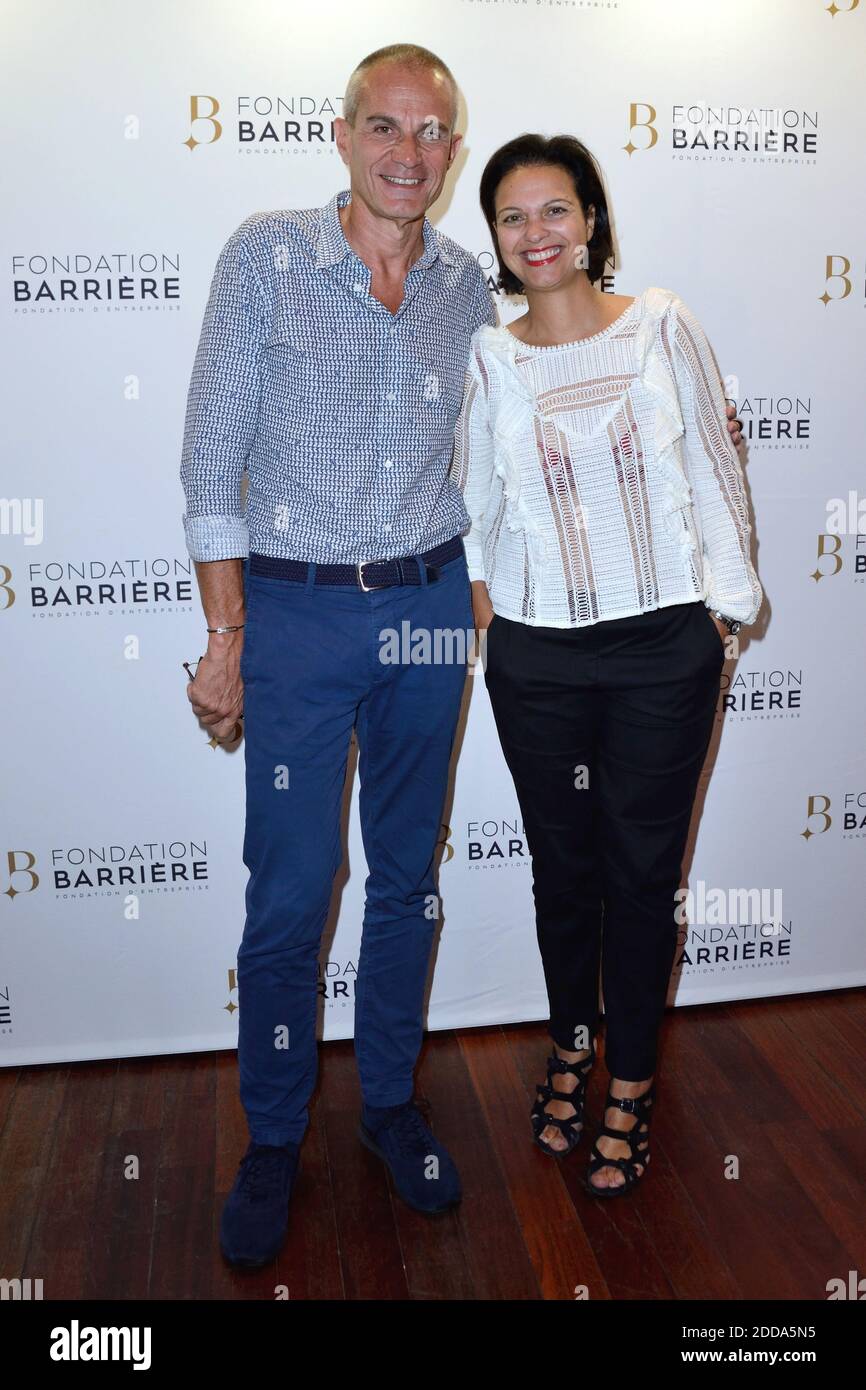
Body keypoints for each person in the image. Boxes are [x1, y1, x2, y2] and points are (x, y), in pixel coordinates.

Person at [452, 133, 762, 1197]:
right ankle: (571, 1045)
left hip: (660, 651)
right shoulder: (491, 357)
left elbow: (715, 473)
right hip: (536, 658)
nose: (534, 233)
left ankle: (628, 1078)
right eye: (510, 216)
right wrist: (497, 619)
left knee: (640, 876)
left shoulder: (664, 324)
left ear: (588, 223)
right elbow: (474, 507)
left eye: (553, 210)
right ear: (492, 236)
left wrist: (721, 619)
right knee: (561, 873)